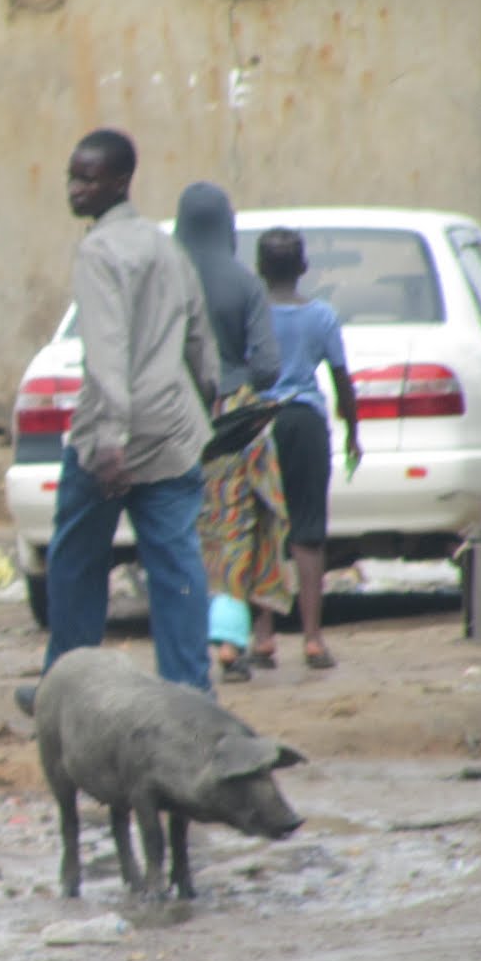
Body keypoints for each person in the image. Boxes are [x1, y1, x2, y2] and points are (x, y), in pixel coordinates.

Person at [16, 129, 219, 713]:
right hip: (174, 430)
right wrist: (209, 405)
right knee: (176, 564)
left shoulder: (99, 251)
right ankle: (190, 694)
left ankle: (65, 689)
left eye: (88, 178)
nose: (76, 189)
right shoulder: (165, 246)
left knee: (77, 559)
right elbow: (200, 337)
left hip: (114, 430)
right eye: (73, 177)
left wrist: (109, 440)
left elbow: (105, 352)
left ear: (120, 181)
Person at [174, 181, 293, 683]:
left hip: (177, 421)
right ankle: (231, 642)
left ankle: (185, 642)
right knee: (237, 529)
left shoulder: (169, 279)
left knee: (187, 531)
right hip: (235, 424)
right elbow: (268, 367)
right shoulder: (245, 284)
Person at [251, 227, 361, 670]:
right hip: (306, 422)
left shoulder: (252, 313)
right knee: (308, 530)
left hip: (260, 423)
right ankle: (313, 639)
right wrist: (353, 431)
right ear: (303, 268)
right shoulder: (322, 317)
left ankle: (263, 637)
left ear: (259, 268)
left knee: (263, 526)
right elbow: (341, 379)